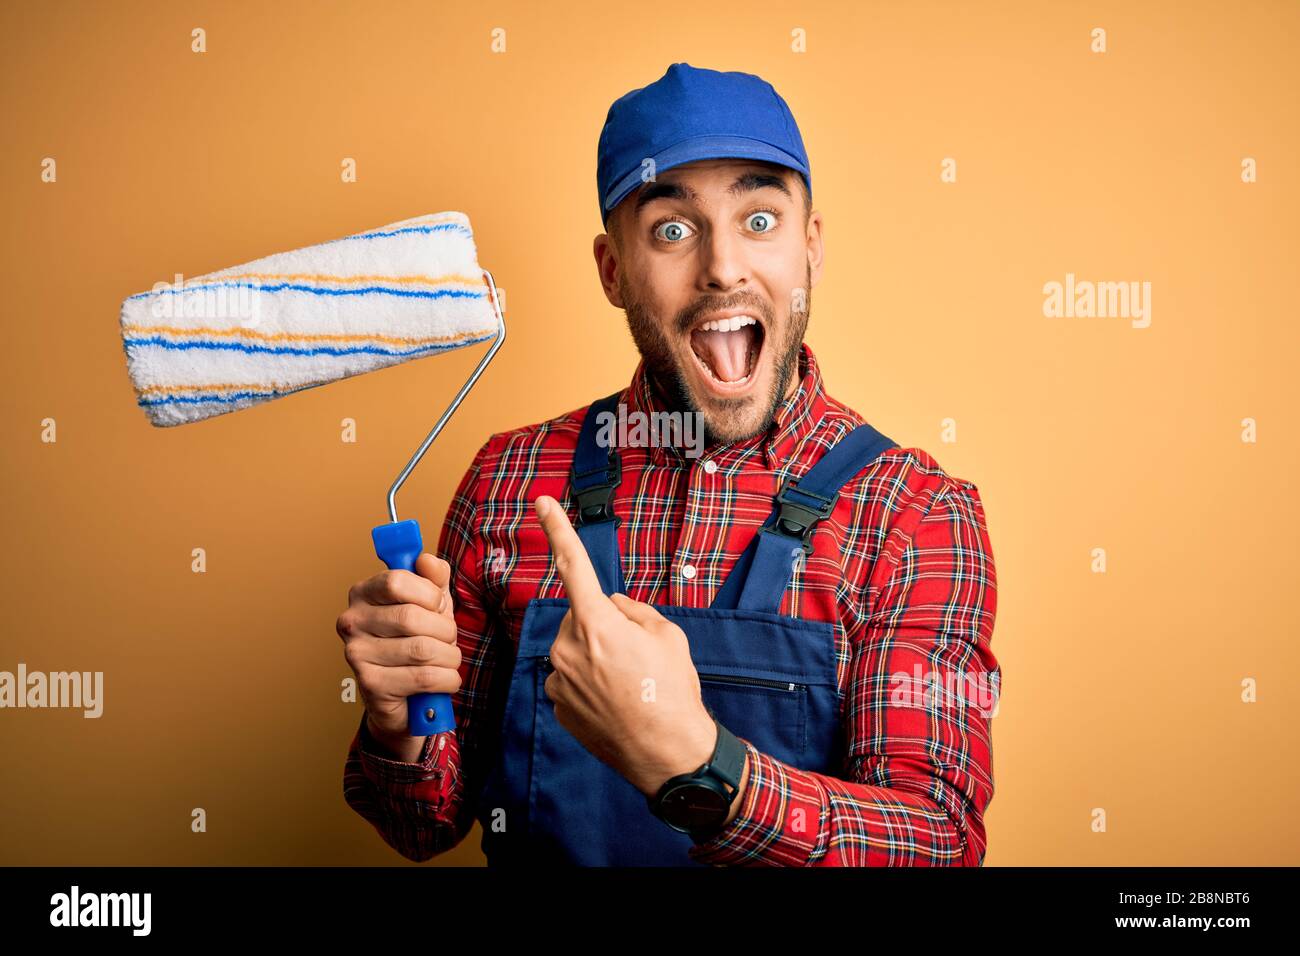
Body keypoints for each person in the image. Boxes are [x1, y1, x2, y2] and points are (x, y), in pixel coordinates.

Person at [339, 62, 1000, 866]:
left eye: (759, 220)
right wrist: (396, 720)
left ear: (811, 248)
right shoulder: (509, 480)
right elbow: (421, 825)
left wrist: (695, 764)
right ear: (613, 271)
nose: (722, 266)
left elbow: (937, 843)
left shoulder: (916, 513)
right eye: (673, 231)